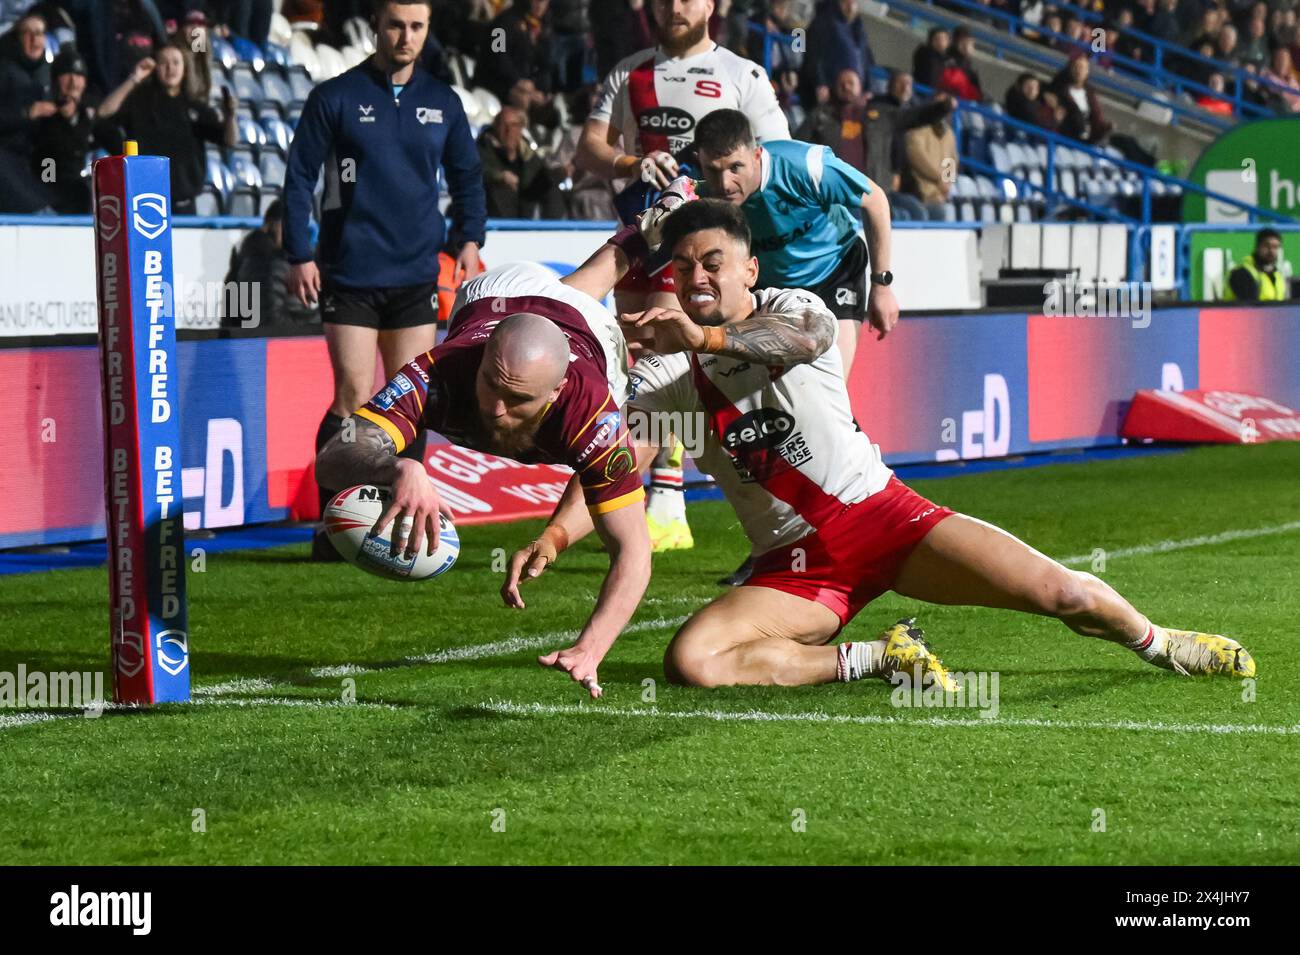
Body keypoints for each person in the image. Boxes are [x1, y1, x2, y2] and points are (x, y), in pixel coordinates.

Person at [505, 199, 1258, 691]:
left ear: (748, 270)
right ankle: (882, 657)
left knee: (1062, 593)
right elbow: (618, 458)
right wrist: (559, 532)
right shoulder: (671, 372)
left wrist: (700, 335)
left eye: (713, 263)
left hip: (890, 522)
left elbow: (799, 339)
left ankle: (1163, 643)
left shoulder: (791, 305)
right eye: (684, 267)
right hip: (796, 569)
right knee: (692, 660)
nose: (697, 276)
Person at [316, 198, 693, 696]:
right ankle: (648, 224)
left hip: (590, 331)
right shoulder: (439, 372)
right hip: (495, 292)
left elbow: (633, 551)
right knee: (575, 290)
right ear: (481, 361)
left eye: (516, 399)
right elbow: (333, 458)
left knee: (618, 418)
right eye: (491, 384)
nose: (495, 409)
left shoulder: (590, 411)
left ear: (557, 393)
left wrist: (591, 646)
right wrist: (397, 470)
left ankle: (652, 225)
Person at [576, 0, 790, 554]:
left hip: (702, 245)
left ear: (712, 5)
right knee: (637, 366)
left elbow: (774, 157)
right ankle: (642, 500)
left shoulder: (743, 74)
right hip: (640, 235)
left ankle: (670, 499)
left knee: (676, 360)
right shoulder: (630, 72)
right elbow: (589, 149)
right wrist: (630, 164)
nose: (677, 7)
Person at [281, 0, 487, 560]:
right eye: (396, 24)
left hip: (416, 274)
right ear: (376, 25)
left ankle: (401, 521)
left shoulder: (443, 102)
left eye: (416, 26)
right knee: (351, 397)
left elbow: (468, 176)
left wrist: (469, 237)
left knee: (409, 402)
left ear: (427, 31)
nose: (405, 36)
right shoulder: (336, 96)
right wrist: (299, 251)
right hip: (350, 271)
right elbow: (299, 177)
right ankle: (332, 524)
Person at [97, 40, 237, 214]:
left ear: (185, 67)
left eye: (176, 62)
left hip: (185, 206)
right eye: (164, 63)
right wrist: (134, 78)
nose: (170, 68)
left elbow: (229, 141)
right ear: (155, 67)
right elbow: (104, 112)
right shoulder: (140, 102)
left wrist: (230, 115)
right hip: (147, 203)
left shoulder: (195, 107)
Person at [222, 200, 320, 329]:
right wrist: (322, 318)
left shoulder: (253, 255)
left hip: (245, 342)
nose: (293, 233)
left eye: (299, 227)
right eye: (287, 225)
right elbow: (270, 323)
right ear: (268, 226)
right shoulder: (263, 260)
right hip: (257, 345)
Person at [0, 9, 54, 213]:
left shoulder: (50, 74)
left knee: (55, 168)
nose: (35, 39)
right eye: (28, 33)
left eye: (40, 33)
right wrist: (26, 113)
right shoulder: (5, 70)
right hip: (9, 159)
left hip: (42, 161)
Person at [477, 104, 565, 218]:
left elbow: (539, 176)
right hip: (492, 212)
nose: (508, 131)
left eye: (513, 125)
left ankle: (555, 230)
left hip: (523, 212)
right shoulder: (482, 148)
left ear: (521, 129)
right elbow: (476, 171)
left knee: (550, 187)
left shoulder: (527, 153)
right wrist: (499, 176)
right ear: (496, 127)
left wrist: (556, 173)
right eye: (503, 125)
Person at [797, 0, 875, 111]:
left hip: (852, 98)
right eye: (846, 2)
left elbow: (866, 60)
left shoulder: (858, 28)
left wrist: (868, 87)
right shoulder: (823, 22)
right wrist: (821, 83)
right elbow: (813, 56)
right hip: (828, 94)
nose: (850, 6)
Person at [901, 109, 957, 220]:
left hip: (941, 194)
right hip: (921, 194)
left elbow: (952, 159)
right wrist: (940, 177)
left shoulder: (949, 134)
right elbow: (917, 157)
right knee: (938, 212)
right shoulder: (917, 129)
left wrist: (947, 182)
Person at [1225, 228, 1289, 302]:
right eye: (1266, 245)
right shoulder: (1242, 273)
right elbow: (1248, 308)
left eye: (1275, 247)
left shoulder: (1277, 275)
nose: (1271, 250)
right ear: (1257, 247)